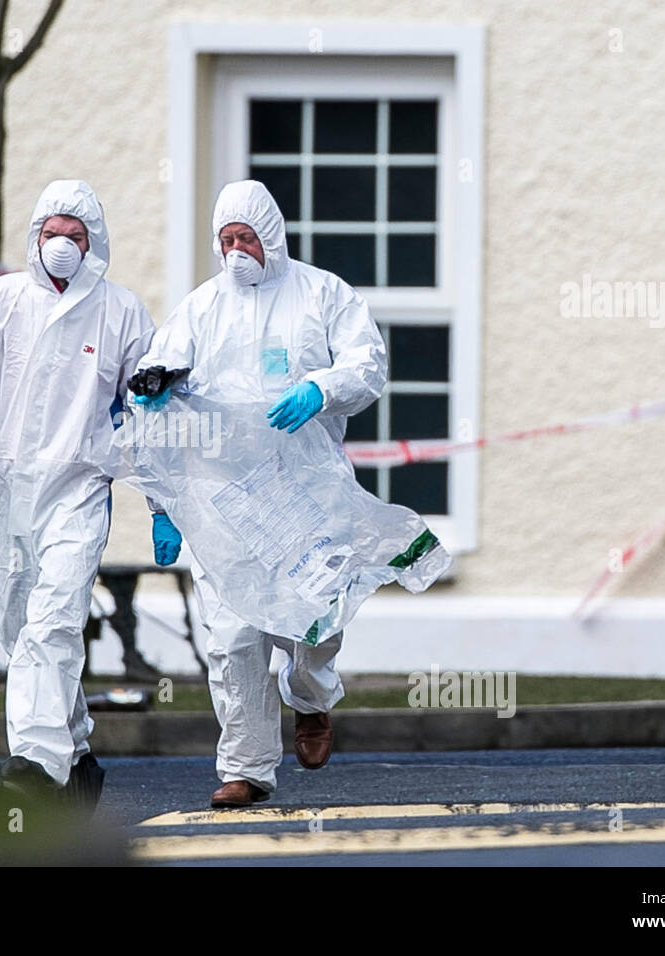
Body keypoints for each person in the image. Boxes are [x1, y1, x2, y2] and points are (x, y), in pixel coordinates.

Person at [138, 179, 387, 808]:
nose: (235, 250)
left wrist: (321, 389)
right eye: (225, 239)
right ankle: (246, 767)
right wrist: (164, 507)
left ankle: (310, 698)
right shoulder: (199, 310)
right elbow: (154, 400)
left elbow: (369, 367)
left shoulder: (324, 294)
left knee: (315, 622)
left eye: (245, 237)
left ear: (271, 236)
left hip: (305, 492)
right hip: (223, 500)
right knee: (233, 636)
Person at [0, 180, 155, 808]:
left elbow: (152, 412)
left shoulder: (121, 311)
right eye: (52, 233)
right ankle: (77, 755)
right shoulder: (4, 300)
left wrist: (161, 501)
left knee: (54, 623)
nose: (61, 246)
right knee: (22, 628)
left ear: (93, 245)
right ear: (35, 235)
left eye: (75, 237)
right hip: (12, 491)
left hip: (80, 490)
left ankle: (34, 764)